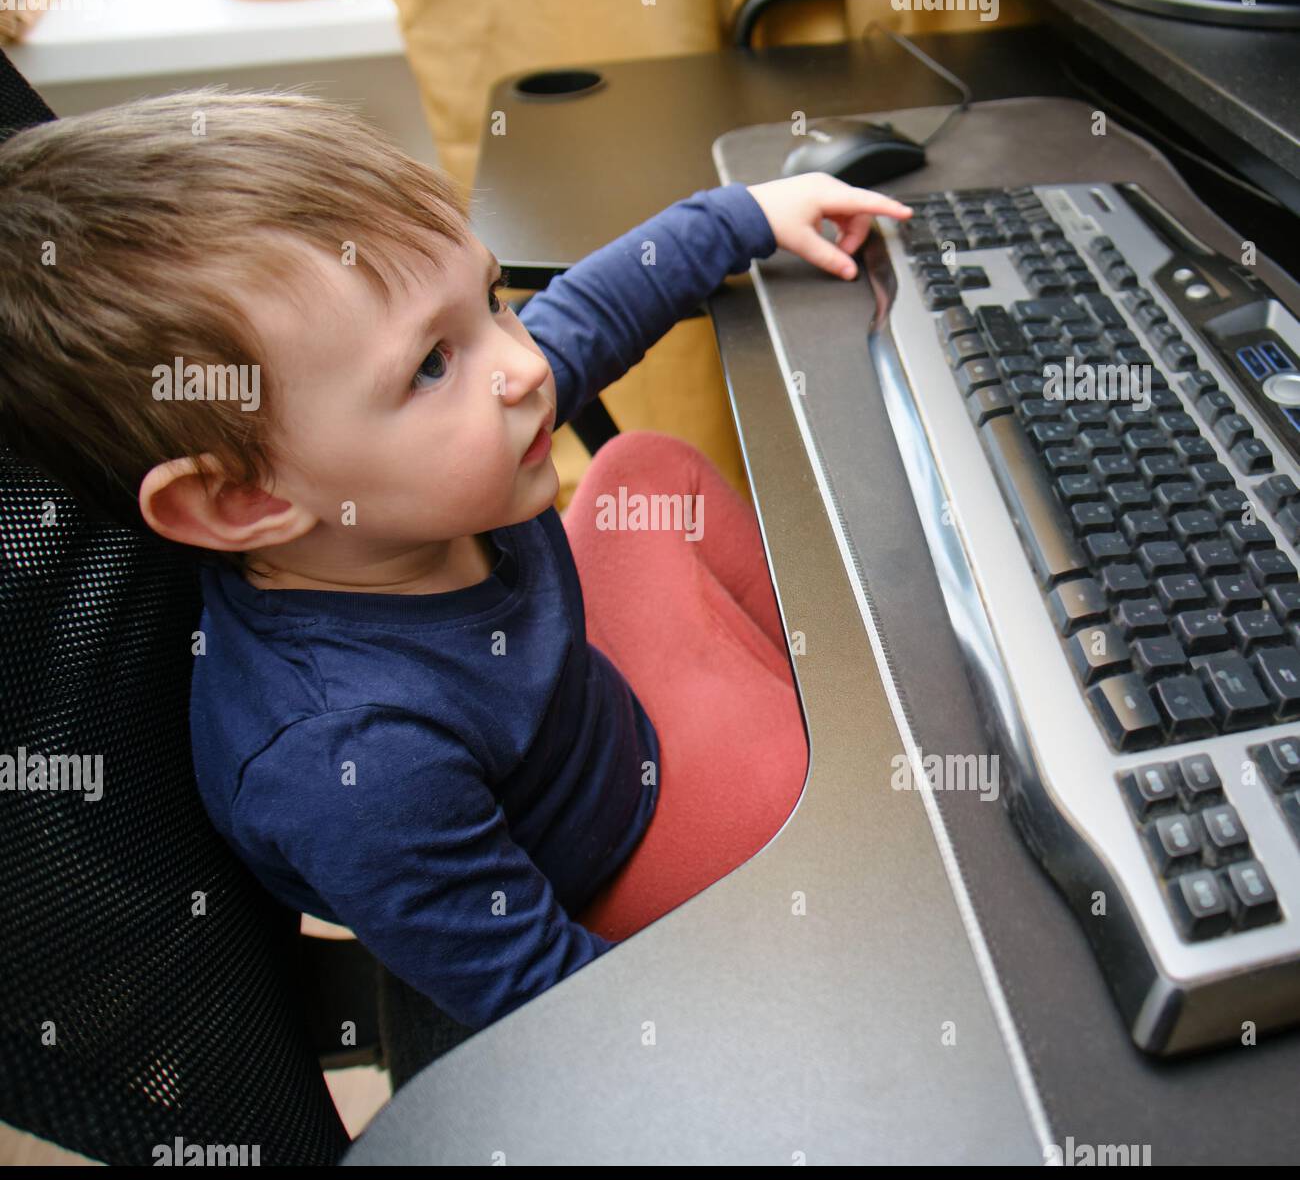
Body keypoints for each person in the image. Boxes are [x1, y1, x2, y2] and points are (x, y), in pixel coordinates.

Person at [0, 88, 912, 1032]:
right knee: (865, 808)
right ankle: (873, 781)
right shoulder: (355, 766)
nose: (517, 366)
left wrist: (749, 214)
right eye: (431, 364)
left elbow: (588, 312)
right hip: (611, 858)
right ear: (243, 500)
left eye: (488, 301)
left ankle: (851, 699)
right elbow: (547, 1000)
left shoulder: (436, 464)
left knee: (645, 467)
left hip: (590, 715)